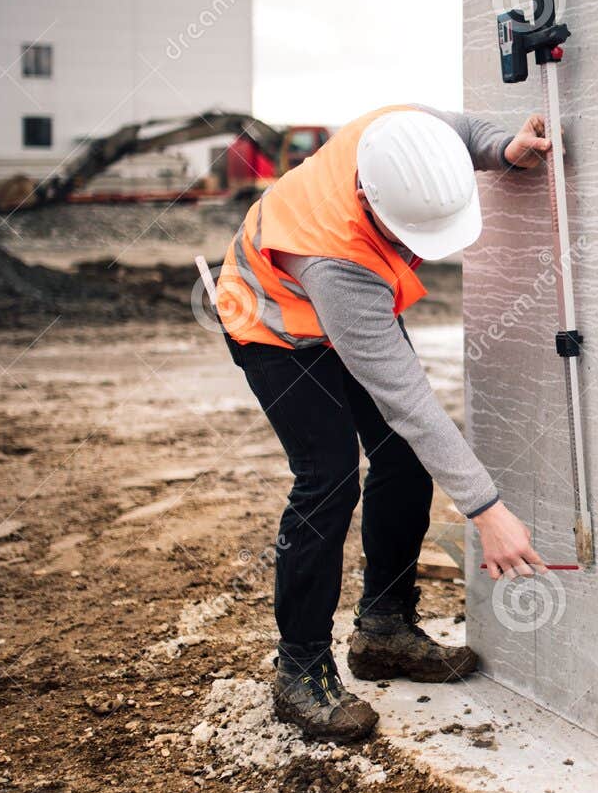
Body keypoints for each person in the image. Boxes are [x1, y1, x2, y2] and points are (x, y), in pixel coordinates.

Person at [212, 105, 550, 743]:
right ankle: (301, 670)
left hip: (344, 303)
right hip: (276, 325)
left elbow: (463, 130)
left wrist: (504, 148)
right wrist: (487, 510)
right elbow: (410, 401)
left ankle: (383, 628)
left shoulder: (402, 130)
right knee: (329, 478)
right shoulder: (338, 263)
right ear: (369, 198)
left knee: (400, 455)